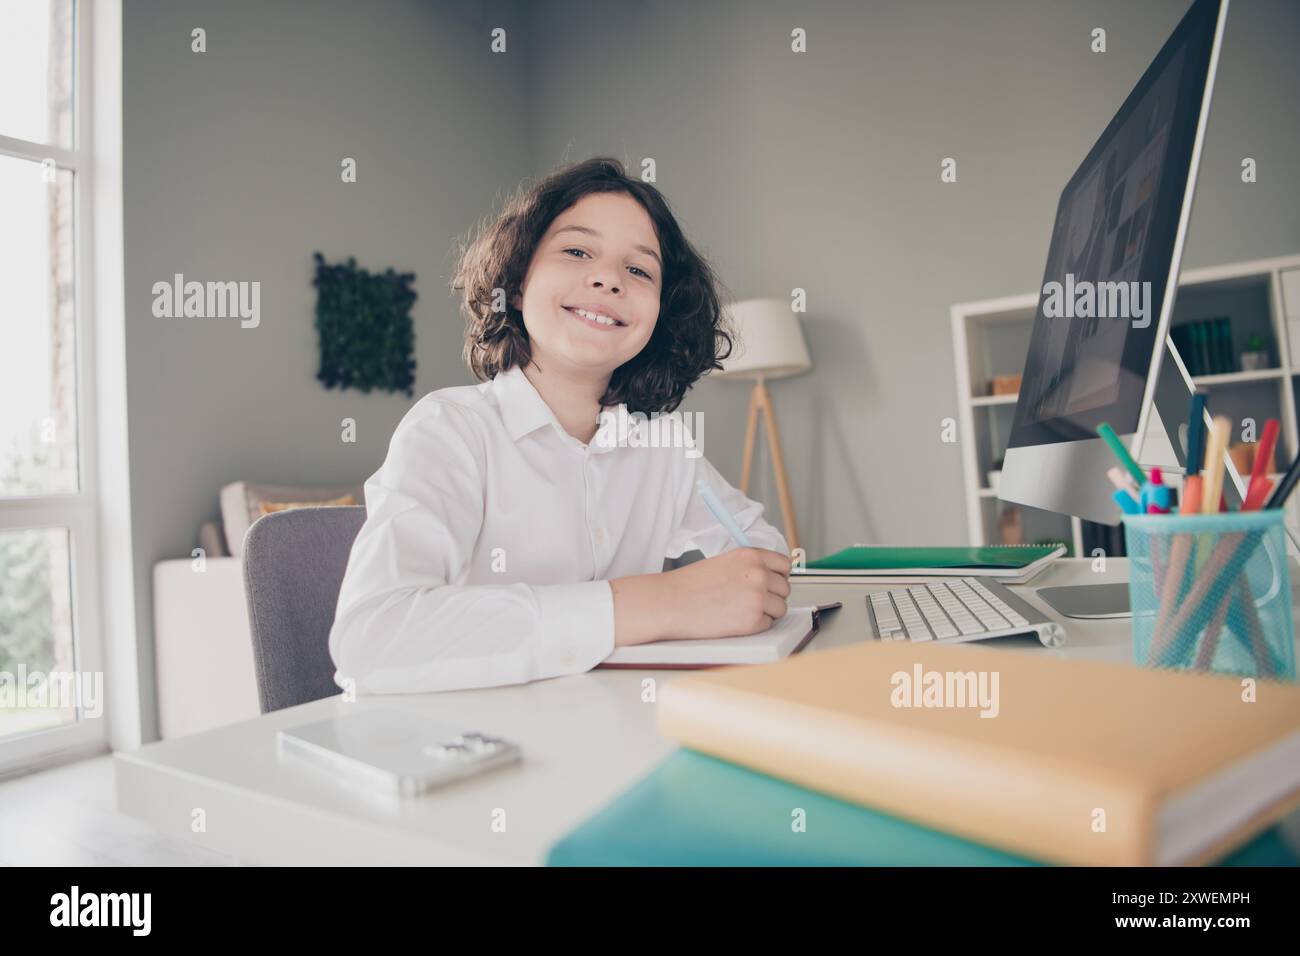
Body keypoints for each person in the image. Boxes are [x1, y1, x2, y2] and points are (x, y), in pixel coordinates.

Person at [327, 157, 792, 693]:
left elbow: (757, 546)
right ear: (519, 284)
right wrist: (653, 603)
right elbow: (372, 639)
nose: (607, 279)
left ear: (661, 315)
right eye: (576, 251)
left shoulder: (662, 447)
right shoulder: (450, 430)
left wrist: (751, 579)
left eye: (639, 270)